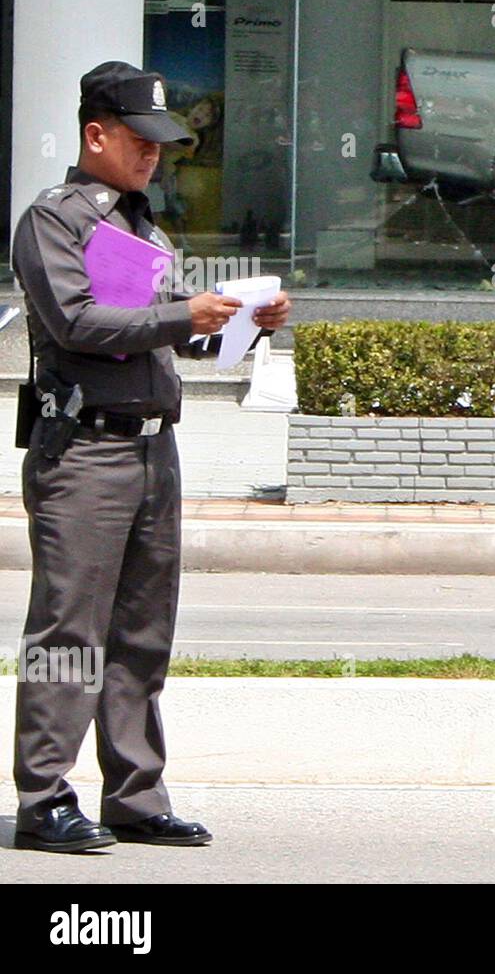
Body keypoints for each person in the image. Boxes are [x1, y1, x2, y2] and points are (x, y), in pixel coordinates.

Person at [9, 60, 292, 852]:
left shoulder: (143, 228)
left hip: (149, 450)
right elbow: (77, 324)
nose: (153, 157)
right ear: (95, 135)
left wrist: (238, 323)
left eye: (162, 145)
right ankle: (44, 797)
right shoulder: (54, 220)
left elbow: (170, 337)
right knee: (69, 632)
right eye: (139, 141)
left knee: (141, 632)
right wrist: (182, 314)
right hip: (84, 453)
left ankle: (134, 793)